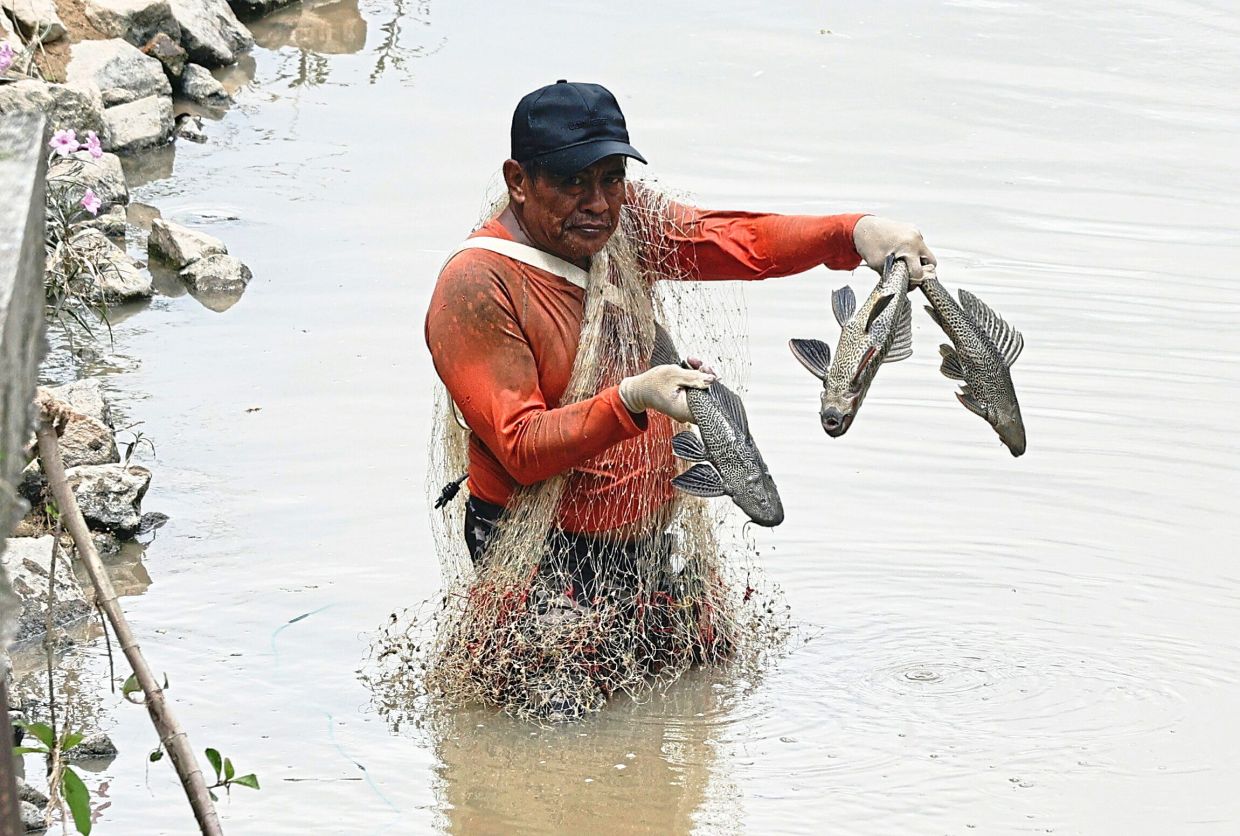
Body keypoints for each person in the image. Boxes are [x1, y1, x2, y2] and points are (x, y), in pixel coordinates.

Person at [425, 80, 935, 580]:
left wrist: (853, 232)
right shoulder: (477, 285)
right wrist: (633, 397)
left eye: (611, 177)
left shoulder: (627, 223)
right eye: (572, 182)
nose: (598, 202)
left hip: (653, 546)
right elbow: (522, 447)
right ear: (518, 181)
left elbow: (741, 241)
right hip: (539, 556)